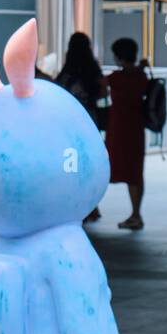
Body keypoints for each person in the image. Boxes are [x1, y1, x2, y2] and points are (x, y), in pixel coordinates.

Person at [57, 32, 107, 222]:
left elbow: (58, 91)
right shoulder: (93, 70)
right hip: (90, 120)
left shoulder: (67, 72)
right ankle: (92, 205)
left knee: (71, 164)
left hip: (70, 123)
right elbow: (103, 92)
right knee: (89, 164)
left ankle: (78, 205)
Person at [104, 37, 149, 230]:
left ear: (118, 56)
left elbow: (99, 87)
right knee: (135, 172)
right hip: (136, 129)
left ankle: (90, 209)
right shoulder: (141, 77)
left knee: (106, 169)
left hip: (118, 129)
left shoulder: (115, 78)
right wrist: (140, 67)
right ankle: (136, 213)